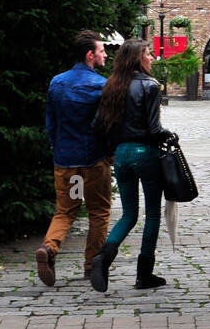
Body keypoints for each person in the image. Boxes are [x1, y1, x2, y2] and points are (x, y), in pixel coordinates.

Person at [88, 39, 173, 292]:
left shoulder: (112, 85)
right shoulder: (150, 86)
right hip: (145, 155)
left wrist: (111, 149)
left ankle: (103, 257)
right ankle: (144, 274)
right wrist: (169, 136)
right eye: (148, 54)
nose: (151, 58)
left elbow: (97, 126)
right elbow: (154, 128)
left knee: (128, 214)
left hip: (122, 156)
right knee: (153, 214)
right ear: (138, 58)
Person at [37, 31, 113, 286]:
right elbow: (106, 124)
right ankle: (92, 266)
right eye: (102, 51)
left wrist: (56, 148)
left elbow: (51, 122)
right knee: (99, 212)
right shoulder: (101, 85)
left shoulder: (57, 83)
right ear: (90, 55)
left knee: (65, 212)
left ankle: (49, 249)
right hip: (93, 160)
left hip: (65, 159)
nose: (105, 54)